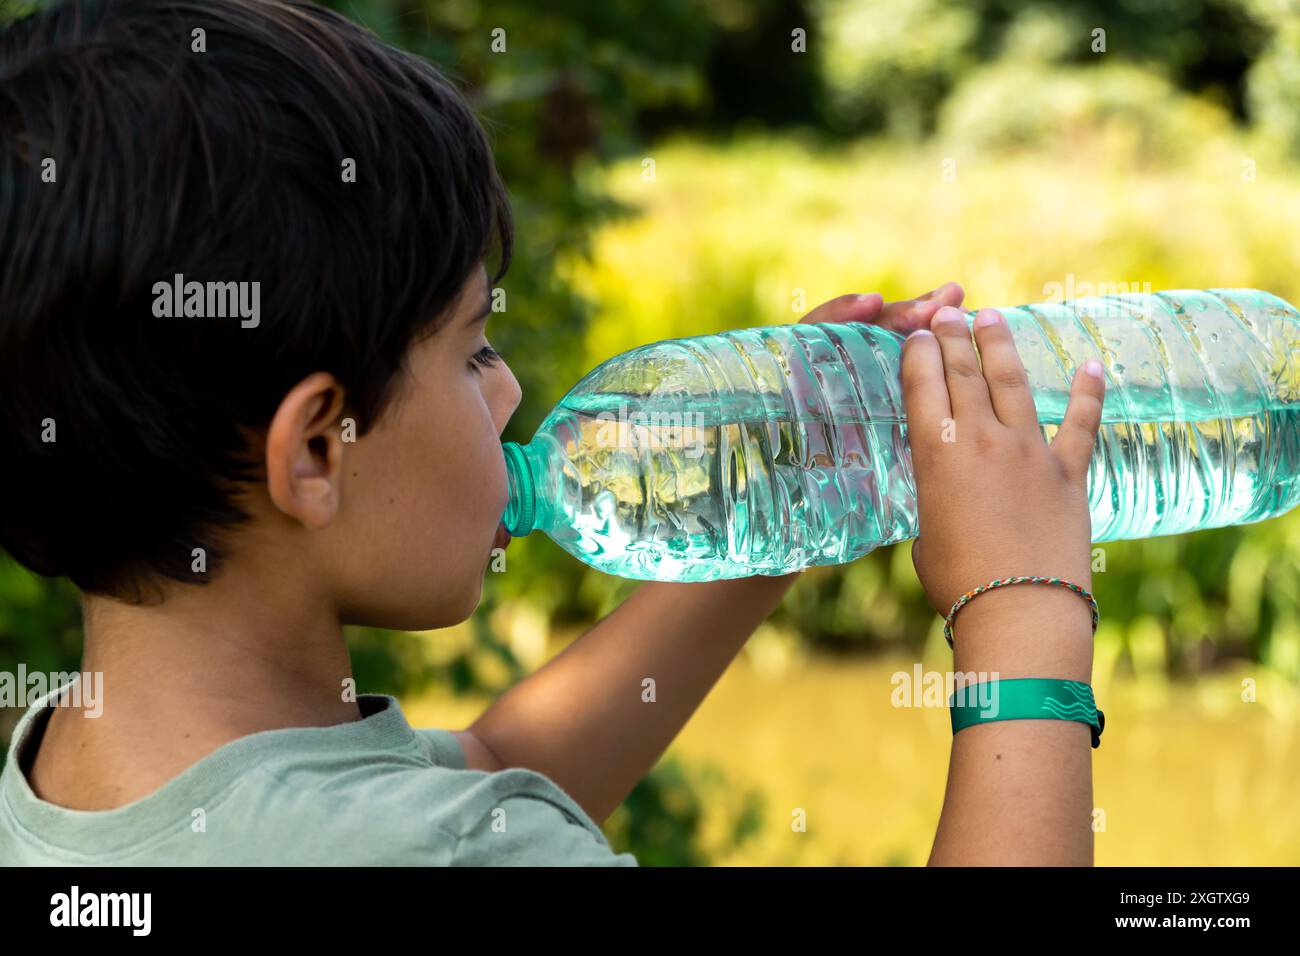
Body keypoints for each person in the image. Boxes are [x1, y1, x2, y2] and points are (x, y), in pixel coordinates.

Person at [0, 0, 987, 866]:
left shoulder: (64, 779)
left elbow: (494, 767)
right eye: (474, 351)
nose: (509, 389)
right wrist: (1025, 618)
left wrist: (790, 489)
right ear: (314, 451)